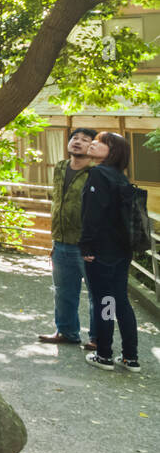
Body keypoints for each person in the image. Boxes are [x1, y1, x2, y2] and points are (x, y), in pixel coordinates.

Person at [80, 132, 140, 373]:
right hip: (122, 251)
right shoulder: (121, 178)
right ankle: (131, 357)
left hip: (101, 252)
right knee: (121, 301)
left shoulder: (98, 174)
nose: (94, 143)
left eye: (101, 142)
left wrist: (87, 246)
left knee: (105, 301)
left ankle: (104, 354)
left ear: (113, 151)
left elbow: (93, 215)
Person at [38, 127, 98, 348]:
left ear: (92, 146)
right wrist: (54, 239)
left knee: (97, 295)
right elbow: (58, 204)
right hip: (61, 242)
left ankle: (98, 338)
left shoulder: (97, 172)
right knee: (63, 291)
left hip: (88, 245)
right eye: (75, 138)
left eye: (85, 140)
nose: (78, 142)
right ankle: (66, 332)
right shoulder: (61, 167)